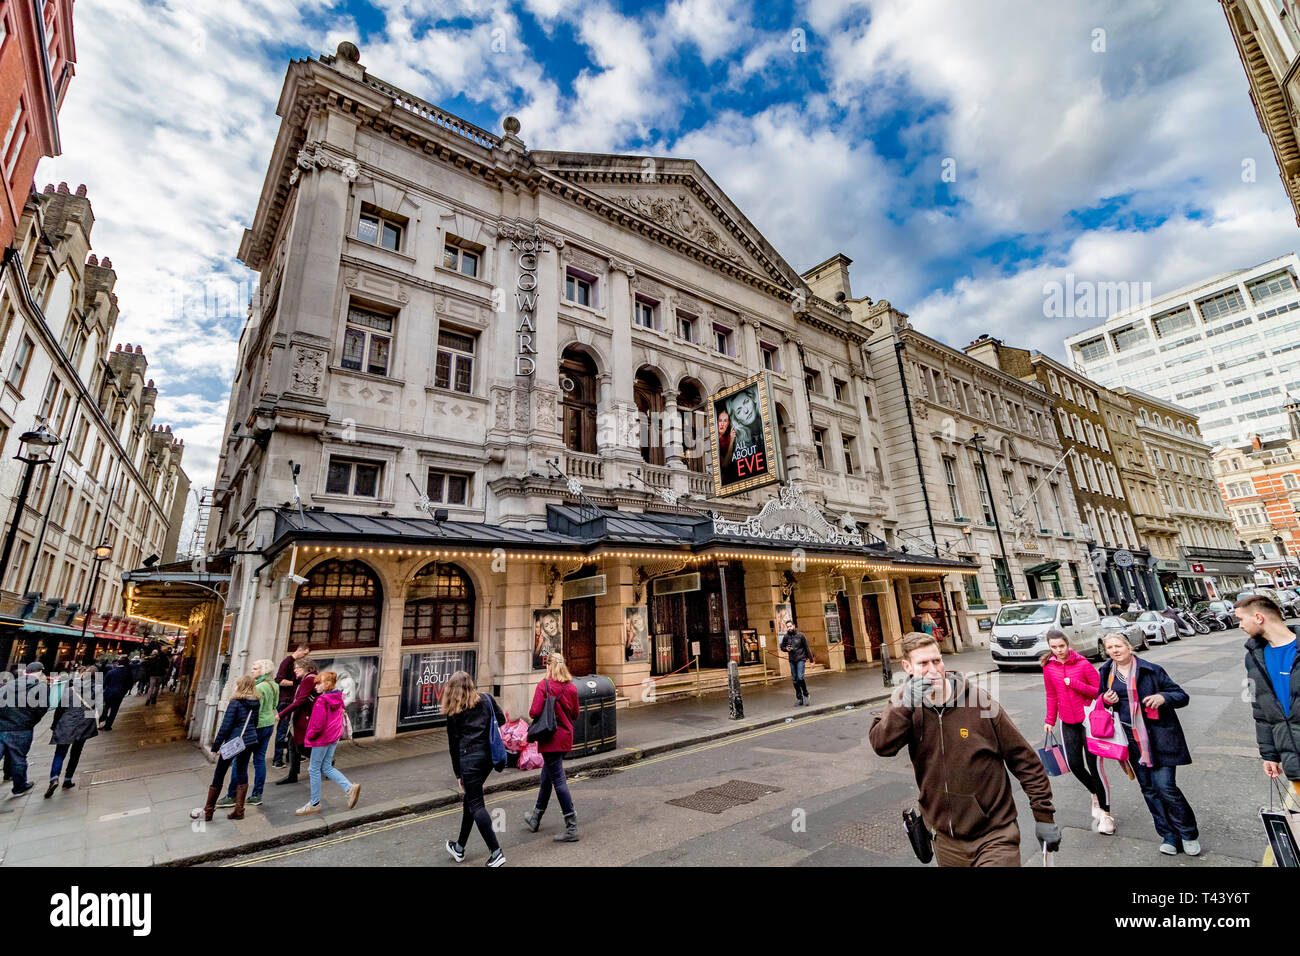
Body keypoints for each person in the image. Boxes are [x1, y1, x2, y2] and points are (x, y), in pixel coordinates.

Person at [869, 632, 1060, 867]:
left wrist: (1044, 816)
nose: (932, 670)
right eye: (923, 663)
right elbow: (882, 746)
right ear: (907, 667)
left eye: (936, 661)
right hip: (946, 842)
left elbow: (1025, 761)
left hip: (995, 836)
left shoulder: (981, 703)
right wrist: (904, 705)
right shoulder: (904, 704)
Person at [1098, 632, 1200, 856]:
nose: (1115, 651)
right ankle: (1168, 836)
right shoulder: (1106, 672)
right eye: (1110, 647)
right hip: (1130, 742)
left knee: (1166, 787)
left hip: (1159, 738)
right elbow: (1100, 699)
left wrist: (1163, 697)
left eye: (1119, 646)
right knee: (1149, 790)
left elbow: (1181, 695)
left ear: (1129, 647)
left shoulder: (1151, 669)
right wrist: (1106, 699)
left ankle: (1188, 833)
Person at [1040, 629, 1114, 834]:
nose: (1058, 651)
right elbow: (1051, 695)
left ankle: (1106, 815)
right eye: (1054, 647)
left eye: (1061, 646)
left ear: (1067, 644)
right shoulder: (1049, 667)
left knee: (1095, 767)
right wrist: (1049, 720)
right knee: (1074, 764)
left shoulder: (1082, 664)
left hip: (1089, 722)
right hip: (1067, 721)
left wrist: (1074, 684)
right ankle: (1094, 794)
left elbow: (1099, 692)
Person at [1234, 594, 1300, 800]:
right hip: (1293, 757)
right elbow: (1261, 710)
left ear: (1259, 618)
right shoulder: (1254, 656)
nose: (1239, 626)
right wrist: (1269, 754)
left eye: (1241, 619)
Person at [442, 670, 507, 867]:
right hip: (487, 759)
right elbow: (502, 720)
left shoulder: (454, 712)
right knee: (470, 800)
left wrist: (458, 774)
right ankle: (459, 847)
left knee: (476, 804)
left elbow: (454, 747)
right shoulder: (486, 699)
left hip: (469, 762)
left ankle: (496, 853)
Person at [523, 652, 581, 842]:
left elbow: (534, 711)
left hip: (550, 739)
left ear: (549, 666)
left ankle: (571, 827)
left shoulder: (544, 685)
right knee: (547, 777)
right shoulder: (571, 687)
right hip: (565, 738)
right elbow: (575, 713)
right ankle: (535, 817)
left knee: (558, 780)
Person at [296, 670, 361, 815]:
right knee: (326, 766)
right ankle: (350, 788)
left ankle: (314, 803)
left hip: (321, 739)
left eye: (319, 683)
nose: (316, 686)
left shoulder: (321, 701)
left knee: (313, 769)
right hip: (333, 737)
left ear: (327, 684)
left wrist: (310, 736)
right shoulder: (337, 697)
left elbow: (317, 725)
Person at [218, 660, 278, 808]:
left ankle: (232, 795)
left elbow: (253, 709)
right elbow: (275, 705)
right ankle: (257, 795)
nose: (252, 670)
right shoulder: (274, 685)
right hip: (269, 724)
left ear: (263, 671)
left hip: (255, 727)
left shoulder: (258, 687)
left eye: (255, 668)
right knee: (259, 760)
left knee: (239, 761)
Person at [201, 676, 261, 821]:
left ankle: (208, 811)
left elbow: (226, 726)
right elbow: (256, 721)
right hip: (250, 741)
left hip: (234, 742)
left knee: (220, 772)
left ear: (239, 686)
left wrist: (216, 746)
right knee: (242, 770)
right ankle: (239, 811)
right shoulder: (256, 702)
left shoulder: (235, 703)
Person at [46, 665, 100, 797]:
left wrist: (54, 725)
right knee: (75, 753)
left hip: (67, 722)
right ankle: (68, 780)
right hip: (84, 725)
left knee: (60, 753)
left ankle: (54, 778)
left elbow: (60, 709)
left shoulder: (70, 689)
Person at [0, 662, 49, 796]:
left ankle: (8, 775)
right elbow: (42, 708)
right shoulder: (41, 687)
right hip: (21, 728)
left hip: (2, 727)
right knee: (19, 758)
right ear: (40, 672)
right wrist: (30, 722)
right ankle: (19, 787)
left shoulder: (7, 685)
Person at [276, 657, 318, 785]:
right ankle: (293, 774)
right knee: (292, 744)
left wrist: (283, 713)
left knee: (301, 745)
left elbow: (300, 700)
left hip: (304, 718)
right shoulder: (308, 678)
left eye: (297, 668)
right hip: (302, 716)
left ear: (305, 668)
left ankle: (326, 763)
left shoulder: (308, 680)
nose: (294, 670)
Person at [272, 643, 310, 767]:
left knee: (289, 731)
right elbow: (278, 680)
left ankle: (290, 756)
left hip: (290, 700)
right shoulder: (288, 661)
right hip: (285, 701)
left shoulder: (294, 662)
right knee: (283, 730)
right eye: (305, 653)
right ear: (299, 650)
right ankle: (277, 760)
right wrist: (296, 685)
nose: (305, 656)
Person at [779, 618, 813, 706]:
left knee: (800, 678)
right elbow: (782, 647)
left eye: (790, 626)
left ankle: (806, 694)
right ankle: (799, 697)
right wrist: (786, 649)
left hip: (801, 658)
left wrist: (811, 661)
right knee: (794, 680)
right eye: (787, 627)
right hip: (792, 660)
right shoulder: (786, 636)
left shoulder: (801, 635)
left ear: (794, 626)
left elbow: (807, 648)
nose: (789, 628)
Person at [100, 657, 134, 731]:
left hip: (108, 693)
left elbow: (104, 684)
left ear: (118, 663)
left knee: (105, 708)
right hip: (119, 694)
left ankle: (102, 722)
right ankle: (108, 726)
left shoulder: (111, 672)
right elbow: (130, 684)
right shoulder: (128, 673)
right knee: (114, 710)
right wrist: (124, 691)